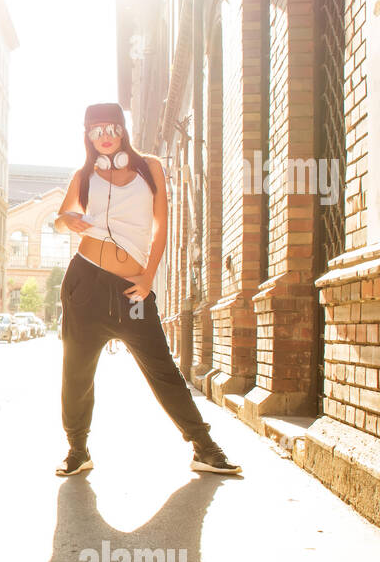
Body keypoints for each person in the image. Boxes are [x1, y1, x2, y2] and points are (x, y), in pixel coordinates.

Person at [52, 102, 240, 476]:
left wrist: (148, 276)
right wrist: (66, 221)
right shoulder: (85, 176)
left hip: (132, 290)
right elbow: (60, 220)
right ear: (88, 136)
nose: (104, 137)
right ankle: (77, 450)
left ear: (123, 130)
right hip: (84, 284)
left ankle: (204, 447)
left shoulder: (149, 168)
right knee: (77, 371)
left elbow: (160, 227)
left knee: (163, 369)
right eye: (96, 130)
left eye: (111, 128)